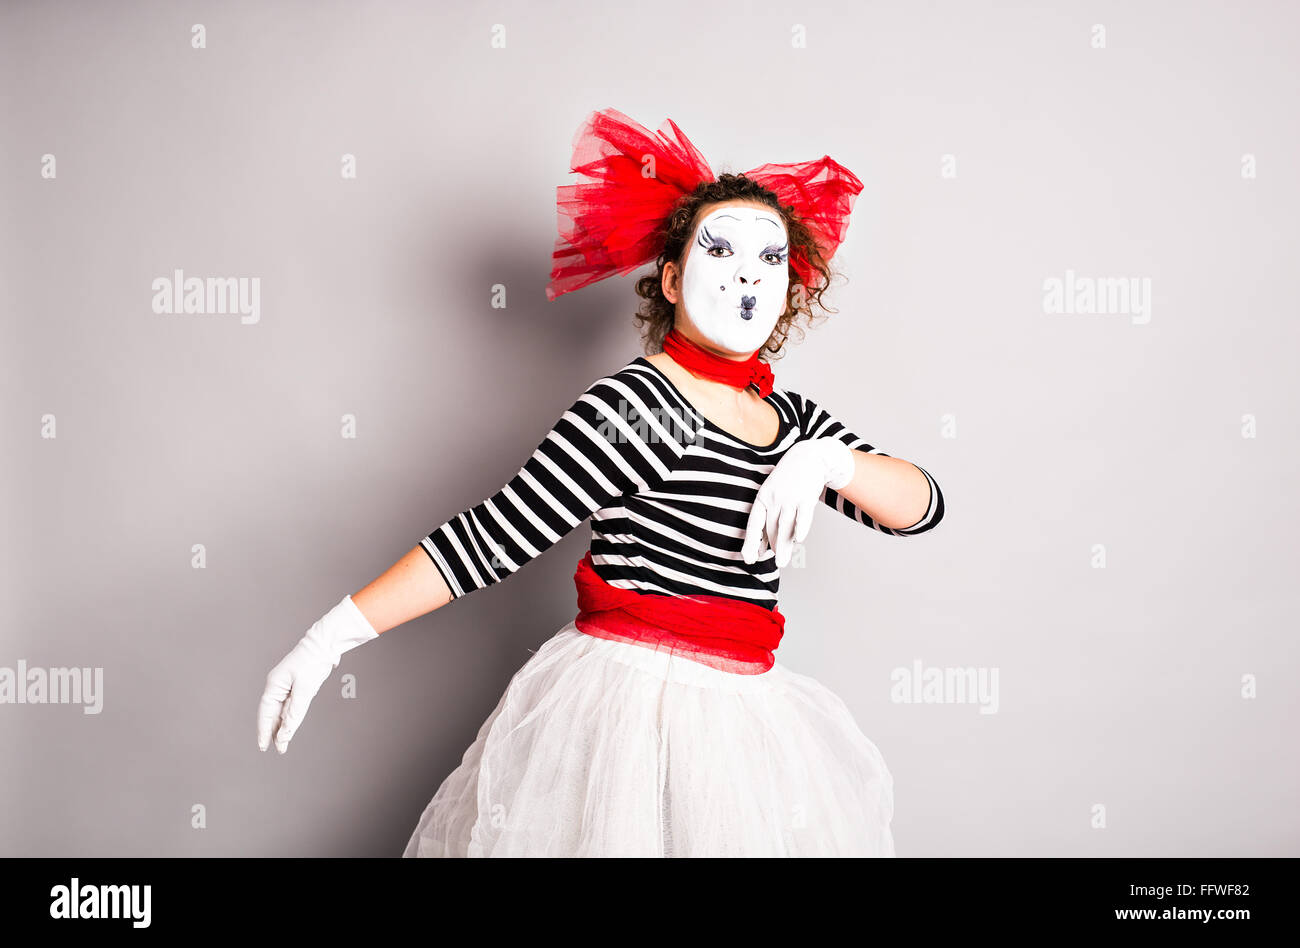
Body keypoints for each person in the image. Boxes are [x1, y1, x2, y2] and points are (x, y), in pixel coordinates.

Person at [256, 108, 945, 857]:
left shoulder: (792, 419)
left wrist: (829, 462)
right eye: (721, 251)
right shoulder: (637, 407)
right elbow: (489, 540)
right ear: (674, 281)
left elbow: (920, 506)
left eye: (770, 259)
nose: (749, 273)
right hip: (626, 720)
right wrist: (330, 638)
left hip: (746, 725)